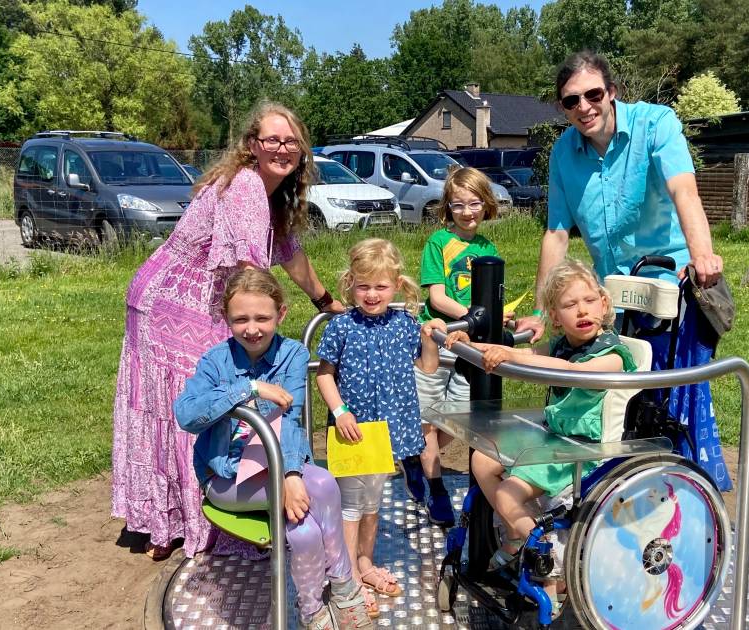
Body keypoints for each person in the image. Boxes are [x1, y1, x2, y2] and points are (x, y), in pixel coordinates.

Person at [111, 101, 344, 561]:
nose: (282, 148)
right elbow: (250, 272)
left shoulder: (274, 194)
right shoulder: (246, 186)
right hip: (172, 302)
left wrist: (326, 302)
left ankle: (180, 518)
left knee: (226, 392)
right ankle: (186, 521)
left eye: (290, 140)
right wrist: (269, 320)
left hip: (210, 298)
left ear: (302, 149)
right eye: (272, 139)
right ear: (252, 145)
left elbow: (291, 254)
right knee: (199, 400)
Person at [516, 50, 731, 491]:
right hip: (609, 297)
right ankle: (599, 490)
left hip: (670, 289)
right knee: (605, 400)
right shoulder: (563, 153)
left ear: (612, 92)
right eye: (571, 101)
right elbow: (556, 234)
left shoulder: (656, 125)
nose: (584, 107)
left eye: (593, 94)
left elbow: (684, 191)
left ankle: (683, 494)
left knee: (671, 403)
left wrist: (703, 255)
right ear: (562, 107)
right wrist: (540, 313)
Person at [173, 269, 371, 630]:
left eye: (262, 318)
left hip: (280, 462)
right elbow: (186, 414)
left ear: (281, 314)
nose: (252, 328)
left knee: (310, 521)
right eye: (240, 319)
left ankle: (325, 602)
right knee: (322, 490)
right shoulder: (216, 361)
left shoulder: (292, 353)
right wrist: (248, 388)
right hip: (229, 476)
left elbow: (291, 420)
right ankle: (335, 597)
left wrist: (291, 474)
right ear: (226, 318)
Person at [448, 259, 636, 615]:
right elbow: (528, 354)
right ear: (555, 315)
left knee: (506, 493)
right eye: (569, 305)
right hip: (556, 441)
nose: (582, 311)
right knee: (482, 459)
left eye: (589, 301)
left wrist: (514, 355)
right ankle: (526, 538)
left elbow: (571, 372)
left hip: (583, 454)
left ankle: (543, 557)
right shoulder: (564, 344)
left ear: (604, 304)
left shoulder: (611, 355)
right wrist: (474, 346)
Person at [315, 238, 447, 617]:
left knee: (373, 500)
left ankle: (366, 561)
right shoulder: (342, 326)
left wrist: (429, 339)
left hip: (386, 430)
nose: (371, 294)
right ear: (350, 284)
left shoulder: (405, 325)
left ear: (396, 286)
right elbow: (325, 374)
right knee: (350, 504)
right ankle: (348, 575)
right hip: (355, 429)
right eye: (363, 286)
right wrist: (340, 411)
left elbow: (427, 368)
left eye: (380, 286)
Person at [404, 166, 503, 527]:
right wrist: (476, 316)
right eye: (459, 205)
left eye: (475, 203)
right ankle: (437, 488)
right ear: (448, 207)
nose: (467, 212)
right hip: (440, 341)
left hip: (470, 345)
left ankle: (416, 457)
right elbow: (438, 296)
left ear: (486, 204)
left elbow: (489, 293)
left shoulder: (487, 248)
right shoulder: (439, 243)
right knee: (428, 416)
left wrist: (496, 316)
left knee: (461, 417)